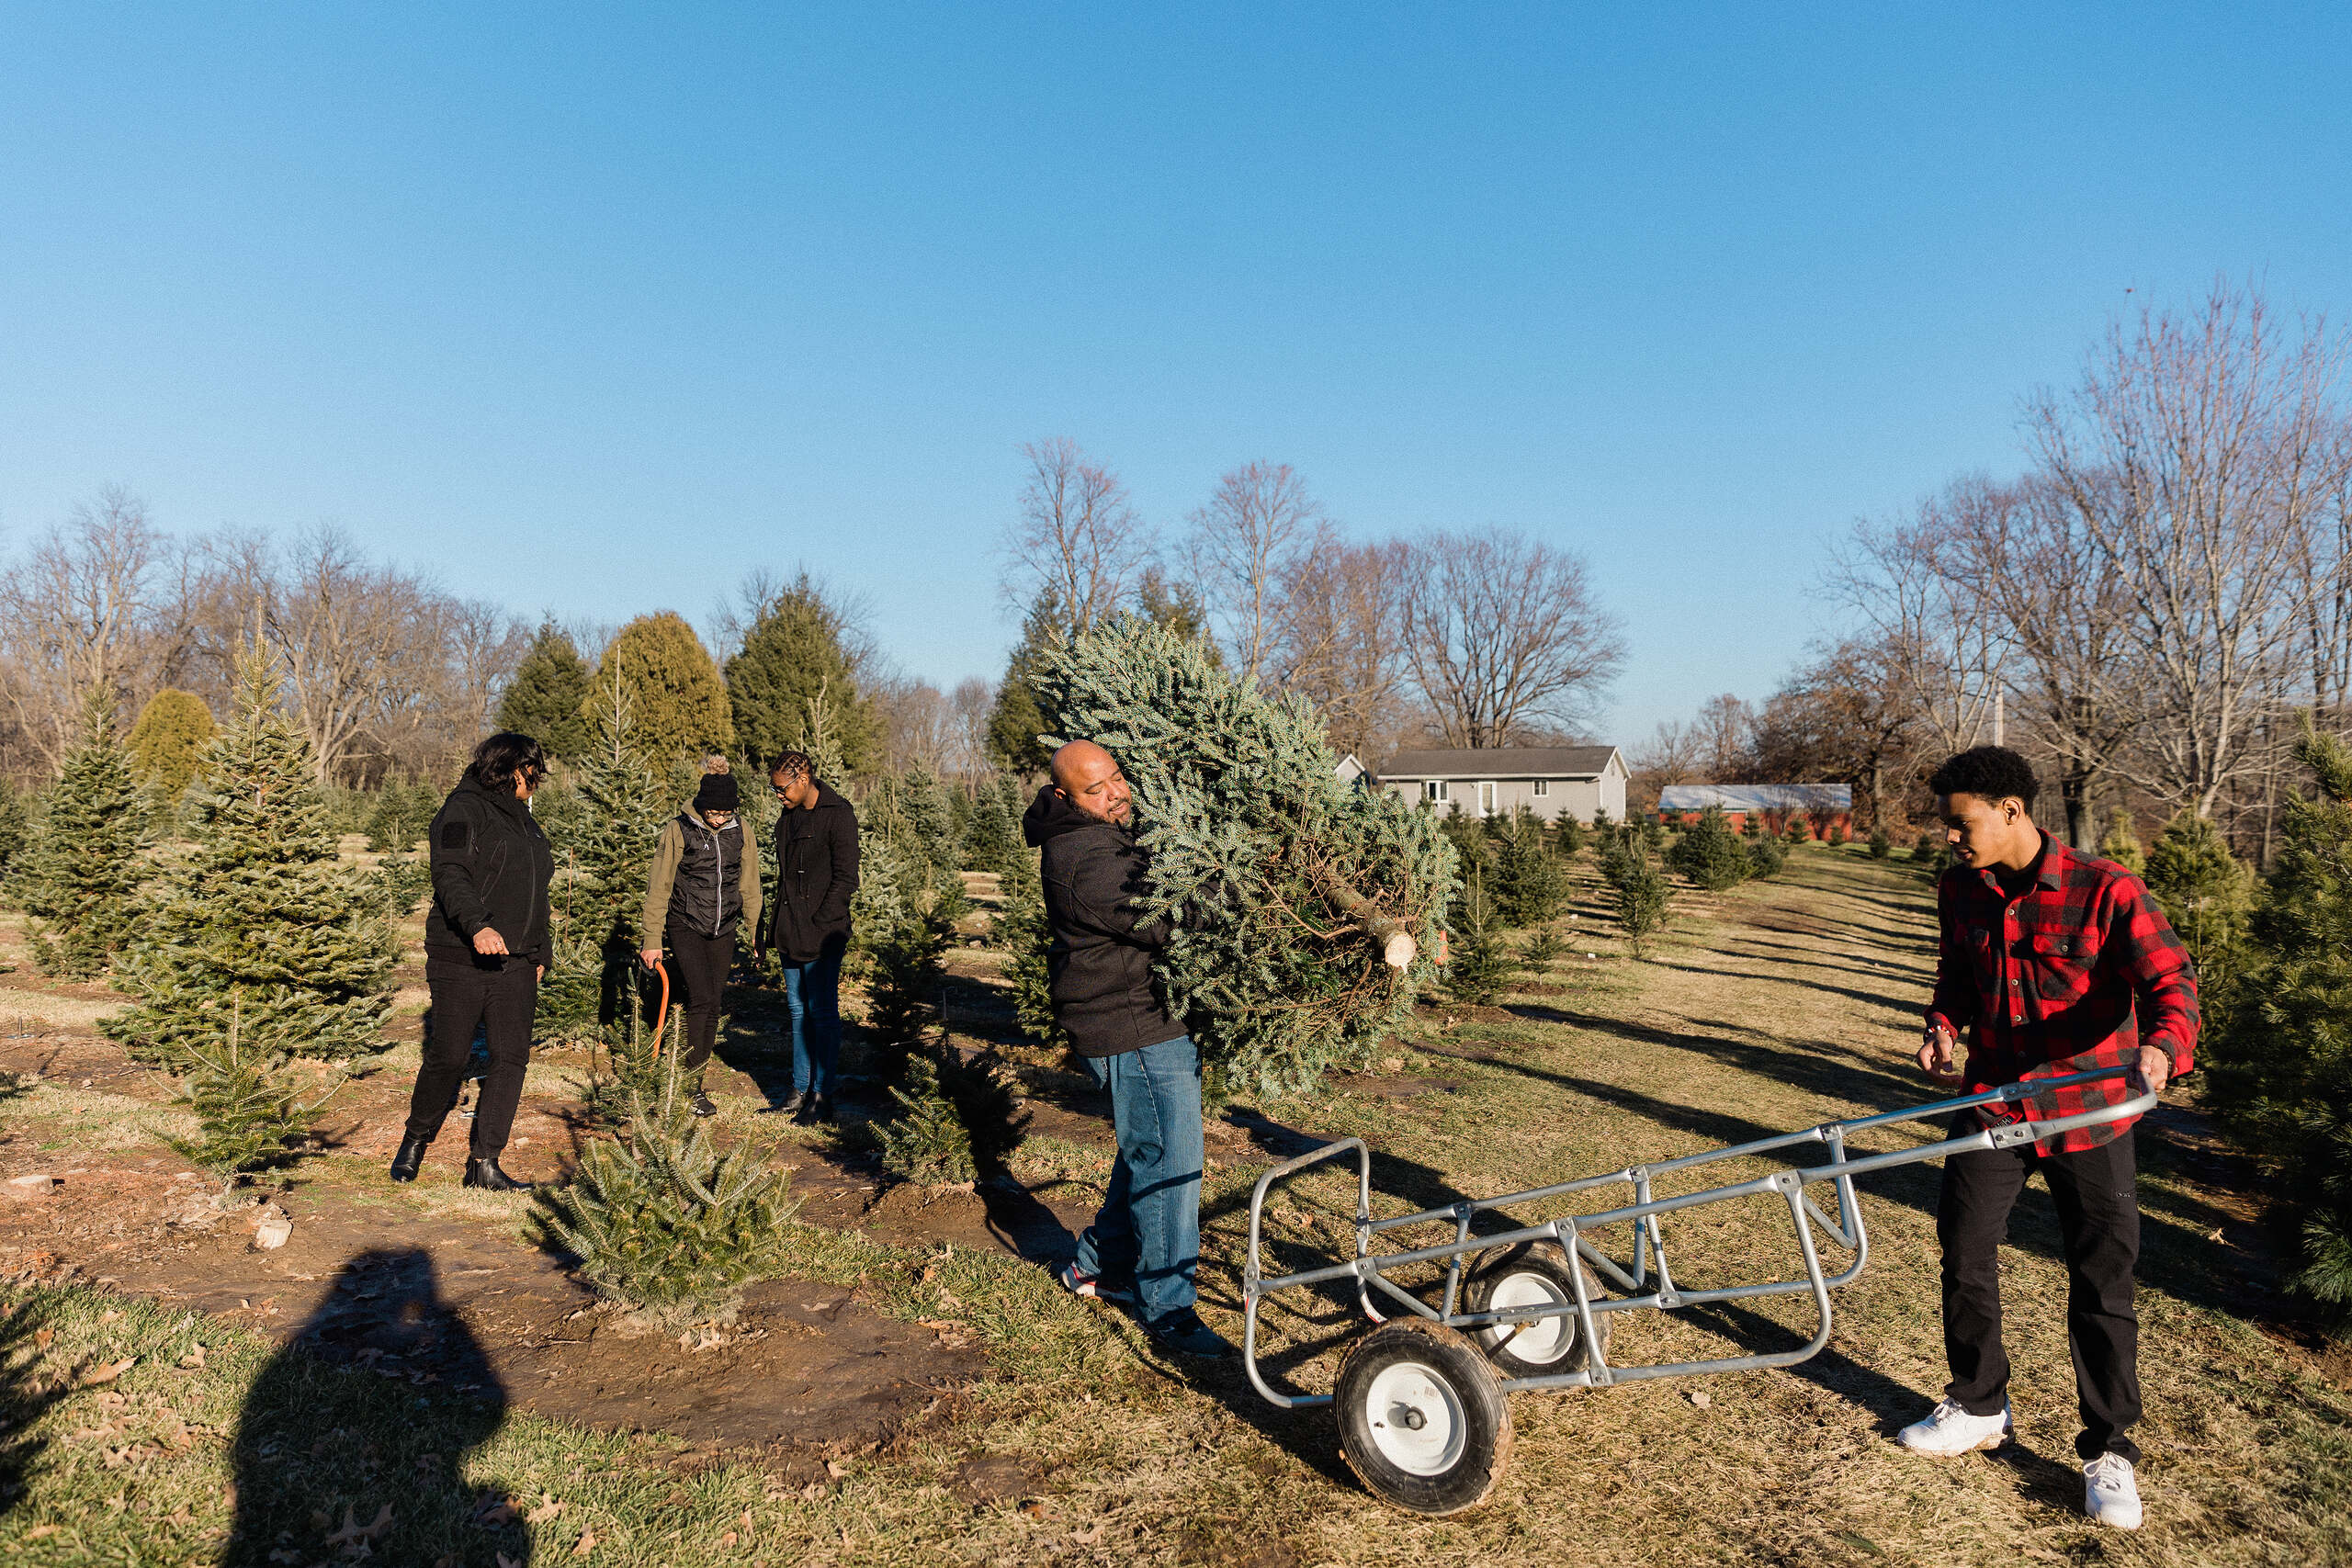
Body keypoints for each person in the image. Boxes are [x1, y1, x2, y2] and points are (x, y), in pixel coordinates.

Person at [1898, 745, 2198, 1531]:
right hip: (1995, 1101)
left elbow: (2173, 979)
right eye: (1947, 827)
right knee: (1963, 1245)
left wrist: (2164, 1046)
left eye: (1961, 824)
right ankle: (1978, 1403)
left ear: (2011, 811)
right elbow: (1957, 977)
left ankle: (2110, 1447)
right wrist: (1942, 1024)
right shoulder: (1959, 889)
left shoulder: (2106, 889)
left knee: (2102, 1275)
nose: (1952, 839)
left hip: (2090, 1110)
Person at [1023, 739, 1231, 1359]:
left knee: (1149, 1148)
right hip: (1130, 1027)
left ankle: (1095, 1264)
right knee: (1172, 1160)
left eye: (1117, 778)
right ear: (1065, 797)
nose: (1116, 793)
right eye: (1097, 789)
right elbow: (1166, 914)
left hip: (1147, 1014)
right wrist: (1233, 881)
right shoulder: (1080, 858)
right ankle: (1168, 1308)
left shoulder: (1103, 832)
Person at [392, 731, 557, 1191]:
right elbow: (449, 873)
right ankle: (416, 1136)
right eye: (533, 772)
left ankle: (484, 1162)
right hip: (462, 955)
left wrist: (540, 949)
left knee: (510, 1058)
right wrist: (479, 925)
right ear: (513, 768)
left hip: (517, 962)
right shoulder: (463, 809)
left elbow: (534, 891)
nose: (537, 782)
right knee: (448, 1056)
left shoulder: (525, 821)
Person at [639, 767, 763, 1118]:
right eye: (714, 812)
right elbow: (659, 886)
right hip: (686, 923)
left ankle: (693, 1073)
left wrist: (755, 930)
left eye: (726, 812)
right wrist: (652, 939)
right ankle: (690, 1084)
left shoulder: (742, 832)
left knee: (713, 1002)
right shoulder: (679, 830)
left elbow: (750, 884)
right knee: (702, 997)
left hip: (724, 927)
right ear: (702, 804)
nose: (720, 818)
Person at [755, 748, 857, 1122]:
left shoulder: (838, 815)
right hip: (789, 929)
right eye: (773, 789)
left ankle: (822, 1094)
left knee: (823, 1012)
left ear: (803, 779)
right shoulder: (788, 818)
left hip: (823, 932)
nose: (778, 795)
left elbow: (847, 878)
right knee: (798, 1010)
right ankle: (799, 1088)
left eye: (781, 788)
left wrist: (821, 921)